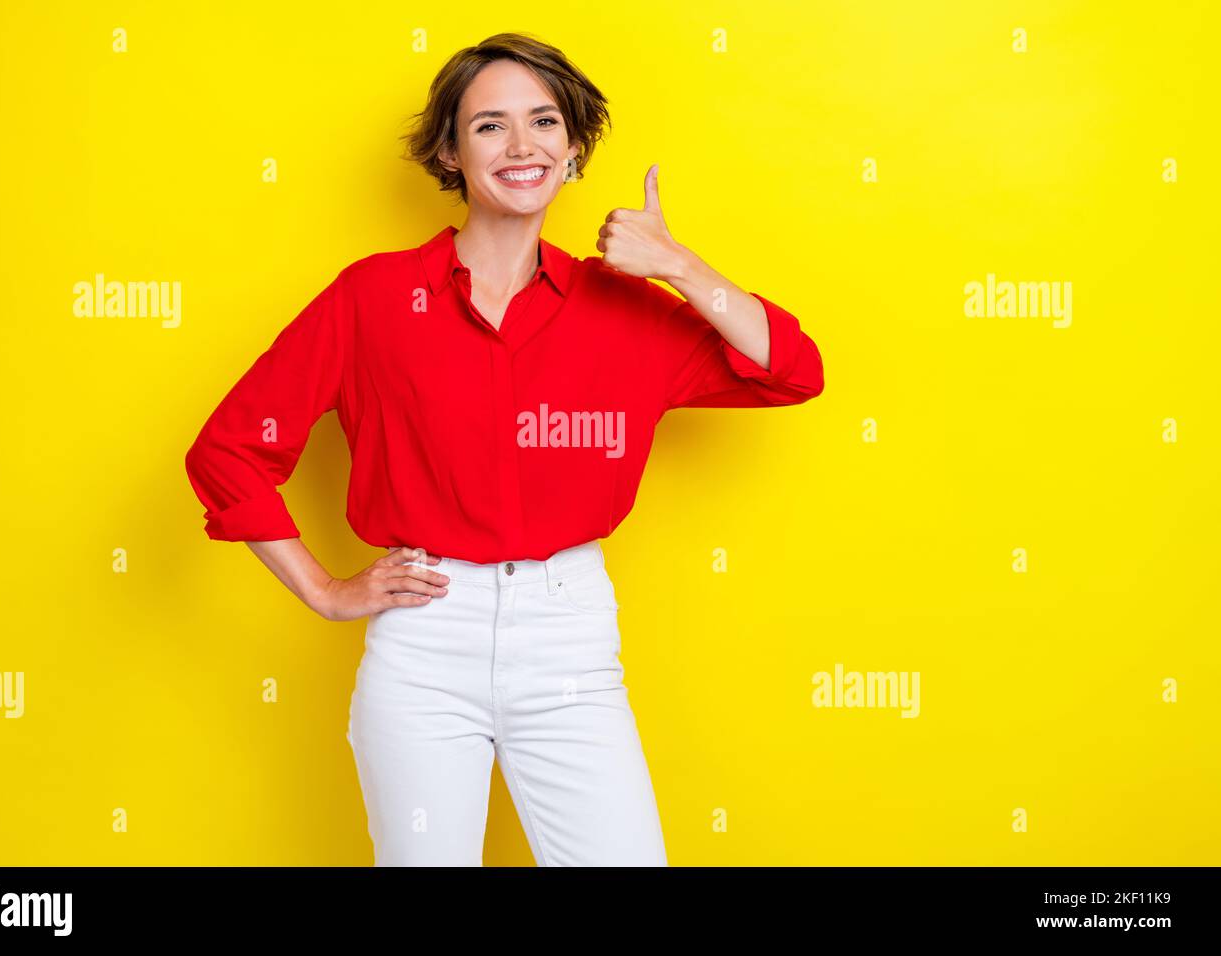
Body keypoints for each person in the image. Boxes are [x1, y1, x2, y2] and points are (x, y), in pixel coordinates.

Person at [184, 31, 825, 866]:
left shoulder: (625, 310)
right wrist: (326, 590)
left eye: (544, 122)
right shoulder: (372, 299)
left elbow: (792, 371)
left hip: (570, 639)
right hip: (424, 643)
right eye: (489, 126)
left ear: (573, 147)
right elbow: (230, 450)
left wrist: (675, 263)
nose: (522, 147)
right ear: (450, 151)